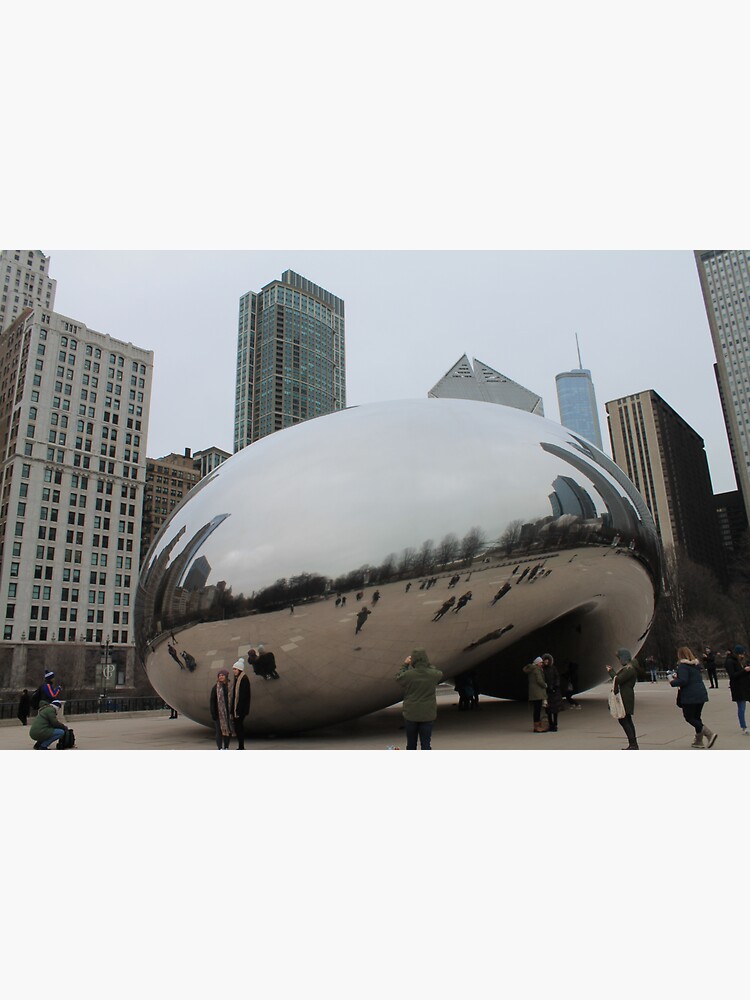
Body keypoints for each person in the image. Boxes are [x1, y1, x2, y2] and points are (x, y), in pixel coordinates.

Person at [669, 645, 717, 748]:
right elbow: (690, 678)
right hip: (700, 694)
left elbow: (684, 681)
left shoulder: (682, 666)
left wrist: (673, 682)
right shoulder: (695, 665)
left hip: (690, 696)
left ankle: (709, 734)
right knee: (696, 717)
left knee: (689, 717)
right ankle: (698, 741)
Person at [395, 648, 443, 750]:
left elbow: (398, 677)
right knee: (426, 744)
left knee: (411, 744)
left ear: (413, 660)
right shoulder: (433, 674)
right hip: (427, 714)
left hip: (410, 713)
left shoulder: (409, 675)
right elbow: (438, 672)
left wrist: (405, 664)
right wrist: (427, 664)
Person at [605, 648, 644, 749]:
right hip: (626, 695)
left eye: (620, 658)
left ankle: (633, 744)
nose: (619, 660)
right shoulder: (630, 668)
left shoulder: (629, 669)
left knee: (624, 719)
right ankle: (633, 743)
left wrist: (611, 671)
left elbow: (619, 679)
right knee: (626, 719)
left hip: (624, 696)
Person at [724, 644, 750, 735]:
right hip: (738, 687)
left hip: (746, 686)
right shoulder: (730, 662)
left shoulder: (742, 661)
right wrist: (744, 671)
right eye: (741, 654)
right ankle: (743, 726)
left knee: (742, 706)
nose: (742, 656)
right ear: (737, 654)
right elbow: (733, 675)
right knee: (741, 707)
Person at [209, 669, 234, 749]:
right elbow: (212, 701)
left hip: (228, 713)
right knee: (219, 732)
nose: (221, 677)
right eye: (219, 676)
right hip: (219, 714)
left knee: (228, 730)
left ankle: (226, 746)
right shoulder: (215, 688)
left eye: (222, 675)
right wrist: (213, 713)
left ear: (226, 676)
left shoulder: (229, 686)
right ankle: (219, 747)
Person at [522, 656, 548, 732]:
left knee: (536, 709)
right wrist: (545, 685)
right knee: (537, 710)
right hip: (538, 693)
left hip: (534, 693)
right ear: (537, 663)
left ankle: (536, 726)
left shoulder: (531, 669)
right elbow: (539, 680)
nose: (542, 664)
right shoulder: (536, 670)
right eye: (540, 662)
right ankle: (537, 727)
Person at [231, 657, 252, 750]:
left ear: (240, 669)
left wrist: (238, 710)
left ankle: (241, 746)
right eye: (233, 669)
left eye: (235, 669)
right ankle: (240, 746)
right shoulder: (238, 678)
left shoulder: (243, 679)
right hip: (238, 708)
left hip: (240, 709)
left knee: (239, 727)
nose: (234, 671)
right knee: (238, 727)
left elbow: (243, 696)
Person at [541, 653, 563, 732]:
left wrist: (555, 686)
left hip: (554, 691)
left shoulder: (553, 668)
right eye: (545, 661)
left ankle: (555, 724)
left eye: (547, 660)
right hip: (547, 692)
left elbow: (557, 677)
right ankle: (551, 724)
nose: (546, 662)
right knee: (549, 710)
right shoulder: (542, 669)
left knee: (555, 710)